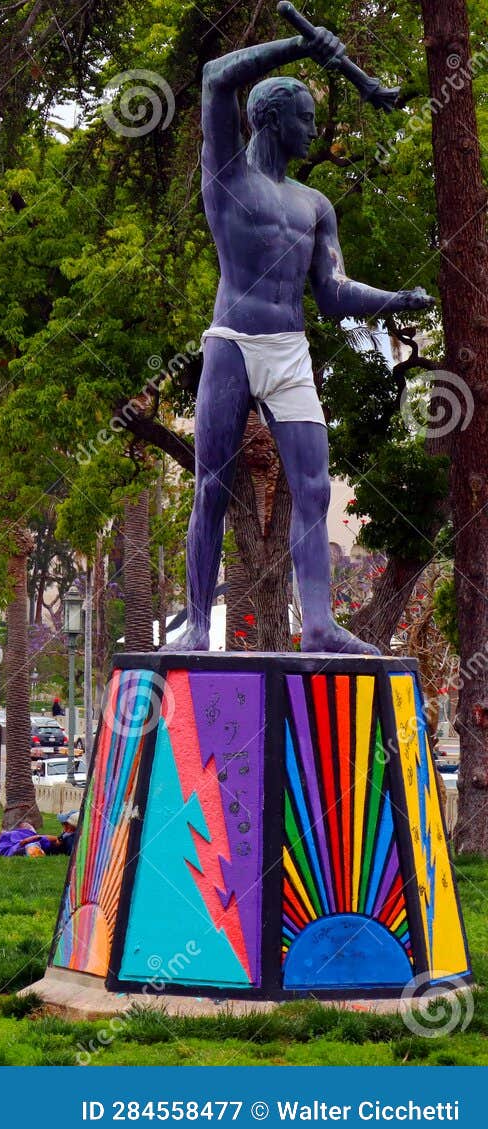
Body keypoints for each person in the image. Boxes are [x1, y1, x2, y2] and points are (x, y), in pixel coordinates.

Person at [164, 19, 432, 654]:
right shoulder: (227, 174)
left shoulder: (315, 205)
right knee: (212, 484)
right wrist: (301, 44)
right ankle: (199, 624)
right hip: (231, 342)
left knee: (314, 486)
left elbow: (334, 293)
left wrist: (396, 299)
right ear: (273, 119)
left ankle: (318, 622)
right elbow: (214, 77)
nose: (314, 129)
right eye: (306, 117)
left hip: (289, 352)